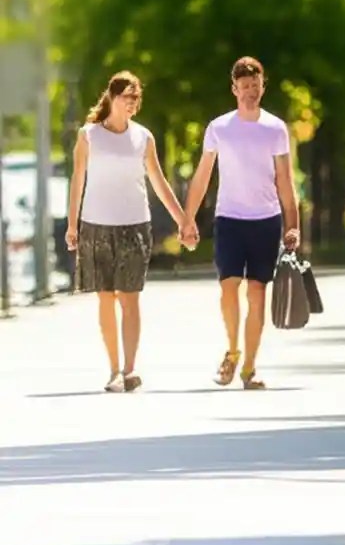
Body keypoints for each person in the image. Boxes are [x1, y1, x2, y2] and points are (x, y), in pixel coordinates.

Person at [65, 71, 196, 393]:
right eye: (127, 98)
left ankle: (130, 368)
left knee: (130, 298)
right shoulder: (89, 135)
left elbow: (159, 182)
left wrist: (183, 220)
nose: (132, 105)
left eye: (136, 99)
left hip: (134, 225)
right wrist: (72, 224)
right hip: (96, 224)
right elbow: (77, 180)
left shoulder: (143, 138)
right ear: (112, 97)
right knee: (106, 298)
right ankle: (113, 370)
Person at [184, 56, 301, 390]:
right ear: (234, 89)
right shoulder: (219, 128)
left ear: (263, 86)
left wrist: (293, 224)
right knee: (228, 286)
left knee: (257, 292)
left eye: (255, 85)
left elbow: (285, 180)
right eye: (244, 86)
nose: (250, 91)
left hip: (266, 219)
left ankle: (250, 367)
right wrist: (188, 218)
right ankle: (232, 351)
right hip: (230, 218)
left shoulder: (275, 128)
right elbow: (203, 175)